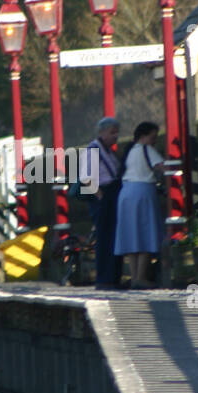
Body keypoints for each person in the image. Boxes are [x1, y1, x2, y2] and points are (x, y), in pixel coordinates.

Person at [114, 121, 164, 289]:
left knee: (131, 235)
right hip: (143, 193)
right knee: (145, 234)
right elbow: (164, 168)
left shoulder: (128, 152)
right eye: (153, 137)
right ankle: (141, 277)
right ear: (143, 137)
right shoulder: (147, 149)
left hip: (125, 194)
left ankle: (134, 275)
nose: (155, 141)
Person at [79, 117, 123, 288]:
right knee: (105, 239)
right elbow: (86, 177)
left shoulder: (108, 151)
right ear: (102, 132)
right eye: (112, 132)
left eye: (116, 132)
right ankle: (104, 279)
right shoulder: (93, 151)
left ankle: (113, 277)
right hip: (103, 197)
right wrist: (101, 197)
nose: (116, 136)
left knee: (113, 238)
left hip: (111, 195)